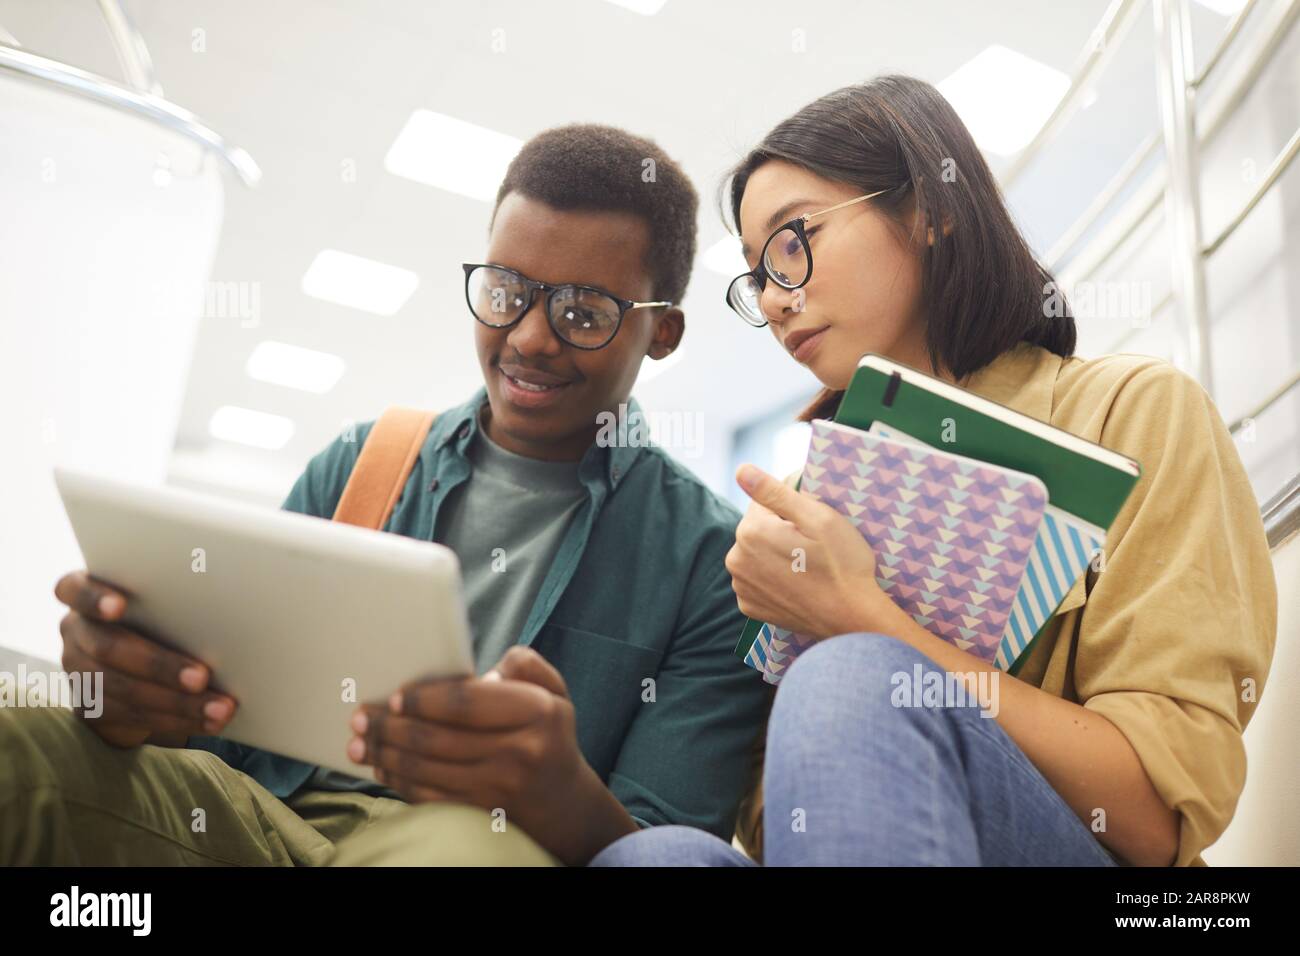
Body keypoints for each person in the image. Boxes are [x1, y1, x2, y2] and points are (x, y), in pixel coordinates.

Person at [1, 124, 770, 867]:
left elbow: (664, 850)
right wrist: (133, 698)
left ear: (662, 333)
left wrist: (559, 794)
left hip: (473, 847)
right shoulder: (362, 463)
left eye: (582, 313)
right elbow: (216, 738)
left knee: (461, 851)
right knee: (17, 745)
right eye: (505, 291)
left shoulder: (716, 564)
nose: (531, 338)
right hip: (254, 817)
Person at [591, 76, 1277, 868]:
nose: (776, 301)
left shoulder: (1133, 412)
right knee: (655, 859)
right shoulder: (807, 511)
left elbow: (1155, 820)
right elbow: (786, 826)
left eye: (792, 244)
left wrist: (863, 620)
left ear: (929, 211)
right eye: (757, 277)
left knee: (859, 677)